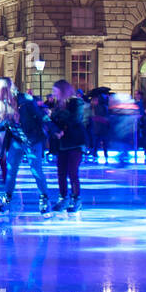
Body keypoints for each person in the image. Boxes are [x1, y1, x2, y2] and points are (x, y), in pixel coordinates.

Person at [0, 78, 52, 215]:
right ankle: (6, 200)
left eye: (3, 89)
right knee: (11, 170)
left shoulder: (25, 100)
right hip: (16, 141)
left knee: (36, 170)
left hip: (33, 140)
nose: (1, 93)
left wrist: (54, 129)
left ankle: (44, 199)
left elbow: (41, 115)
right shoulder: (1, 104)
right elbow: (1, 126)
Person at [50, 79, 86, 211]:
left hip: (75, 142)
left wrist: (57, 115)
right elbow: (52, 121)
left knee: (72, 172)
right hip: (61, 144)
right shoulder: (58, 105)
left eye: (55, 91)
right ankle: (63, 197)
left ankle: (76, 198)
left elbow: (74, 119)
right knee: (61, 172)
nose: (53, 94)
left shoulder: (76, 102)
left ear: (62, 91)